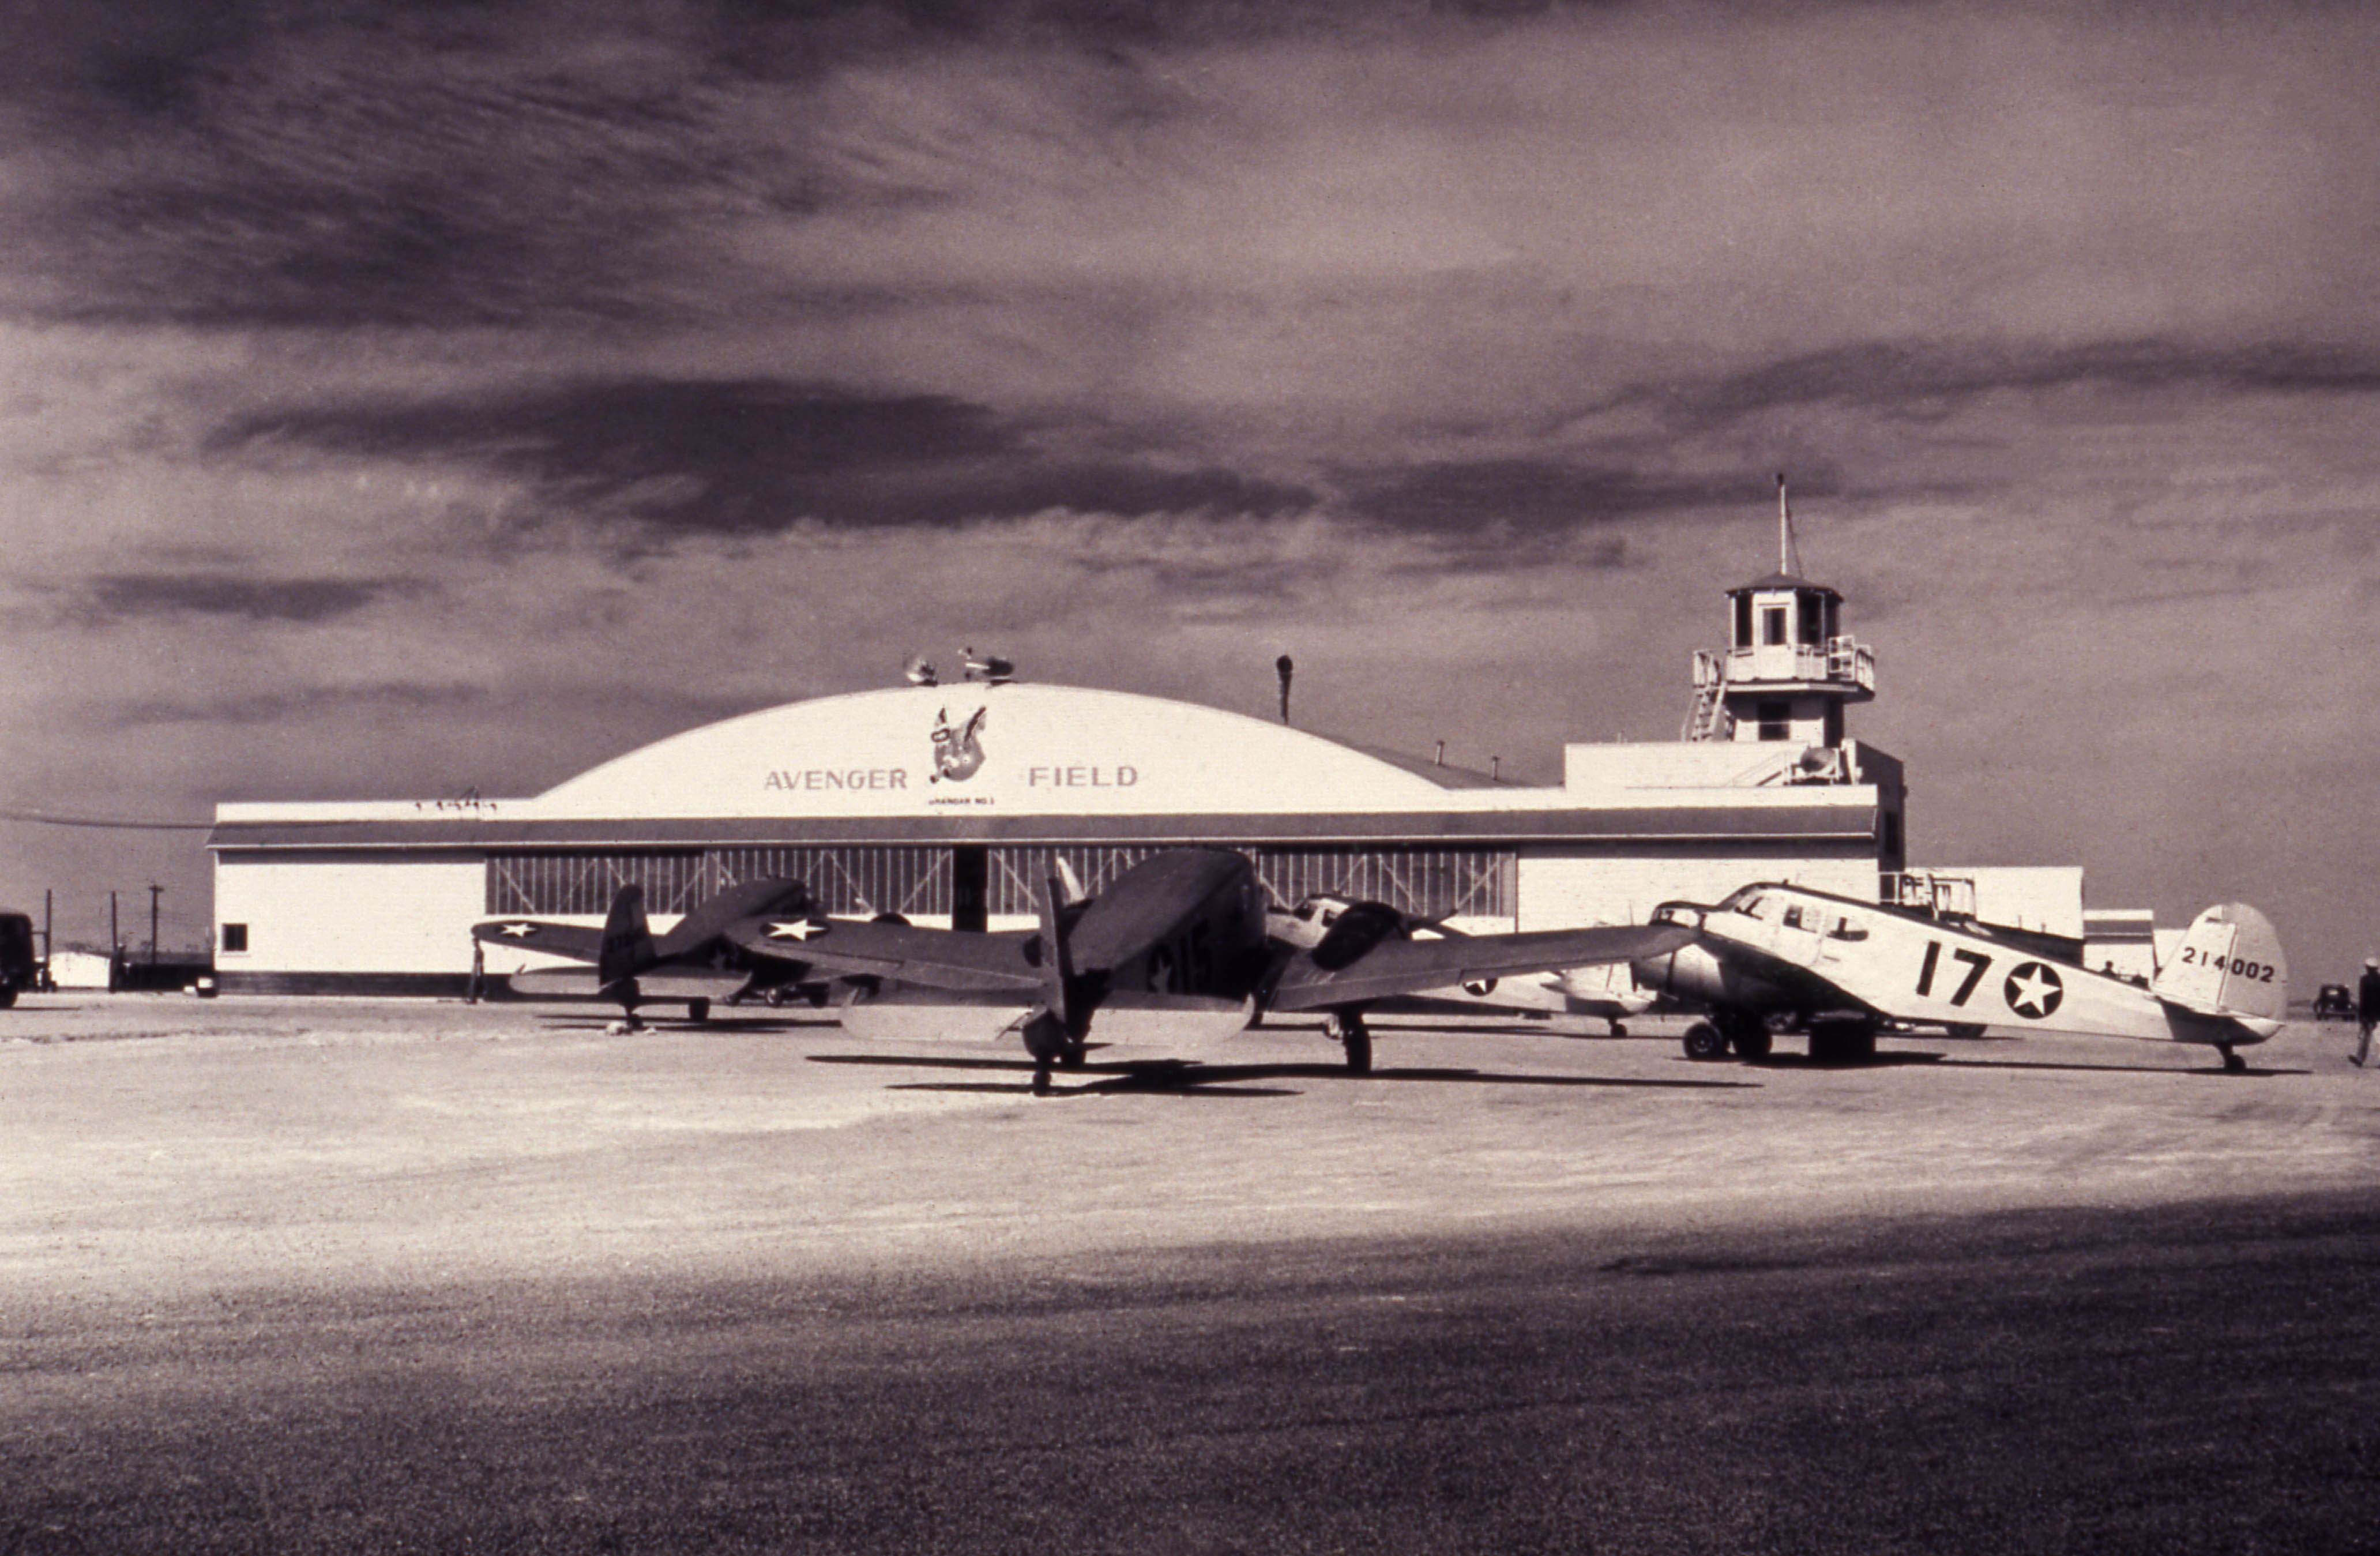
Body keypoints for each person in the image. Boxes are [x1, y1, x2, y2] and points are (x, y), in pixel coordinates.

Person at [2356, 958, 2380, 1067]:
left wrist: (2362, 1016)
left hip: (2369, 1014)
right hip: (2377, 1014)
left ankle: (2360, 1059)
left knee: (2366, 1037)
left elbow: (2363, 998)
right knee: (2378, 1039)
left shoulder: (2364, 980)